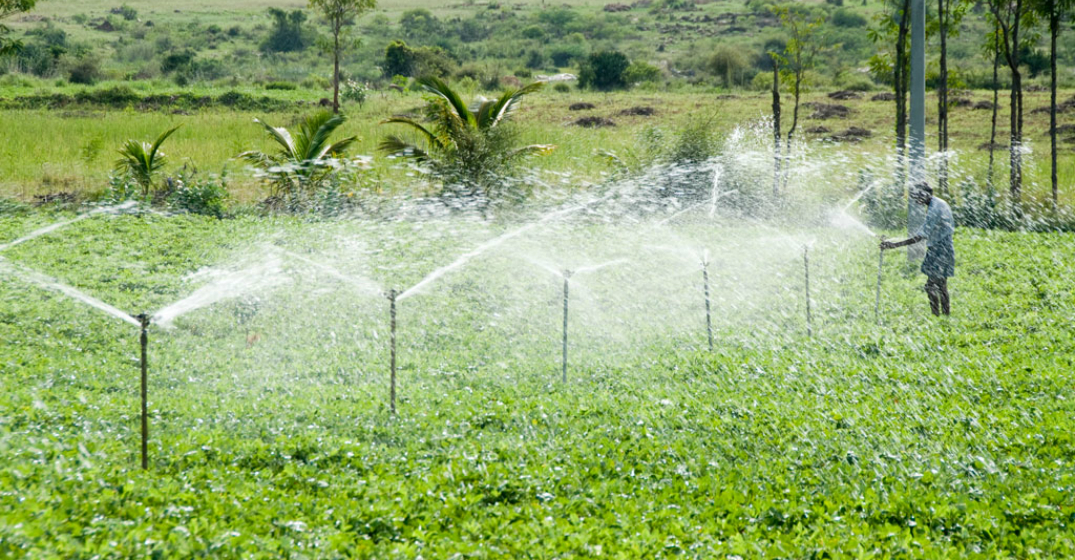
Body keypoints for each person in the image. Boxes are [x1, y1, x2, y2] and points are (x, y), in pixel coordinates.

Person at [880, 183, 955, 316]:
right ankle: (944, 316)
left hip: (939, 250)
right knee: (941, 285)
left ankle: (937, 316)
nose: (915, 199)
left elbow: (920, 236)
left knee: (931, 286)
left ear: (924, 194)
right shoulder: (938, 202)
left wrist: (894, 245)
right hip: (943, 247)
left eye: (917, 195)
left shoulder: (934, 209)